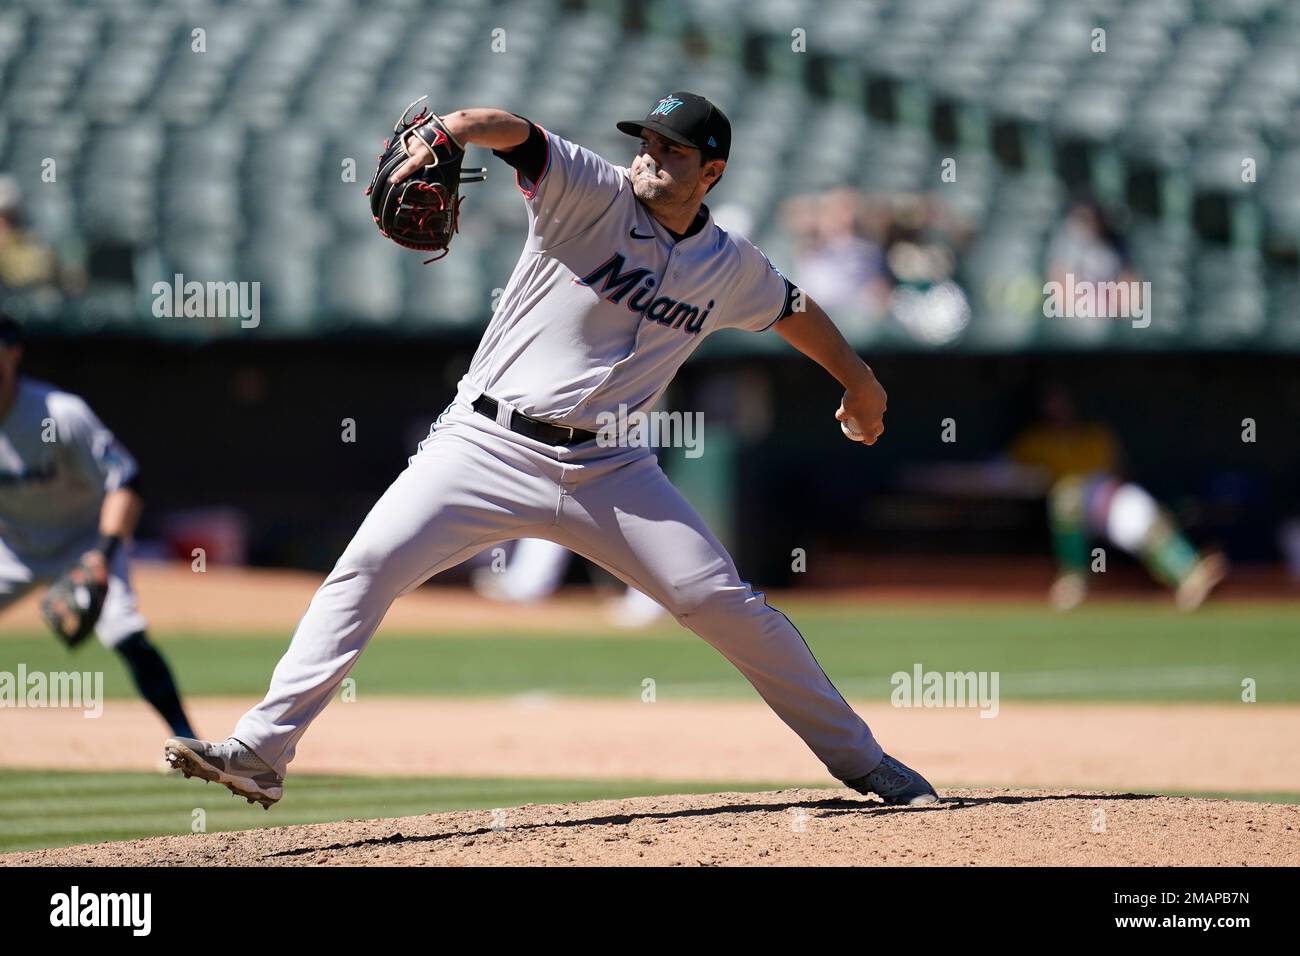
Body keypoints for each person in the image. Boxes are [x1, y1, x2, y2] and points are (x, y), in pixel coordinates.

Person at [164, 92, 937, 809]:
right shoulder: (591, 190)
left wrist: (860, 382)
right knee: (364, 572)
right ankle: (262, 753)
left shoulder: (728, 265)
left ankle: (864, 762)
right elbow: (516, 134)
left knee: (719, 603)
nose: (649, 156)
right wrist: (454, 131)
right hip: (485, 442)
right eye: (646, 141)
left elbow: (792, 308)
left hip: (611, 468)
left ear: (712, 171)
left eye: (671, 149)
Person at [0, 314, 196, 741]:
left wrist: (101, 556)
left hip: (85, 541)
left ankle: (186, 739)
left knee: (126, 633)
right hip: (12, 548)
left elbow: (125, 479)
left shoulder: (59, 414)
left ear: (14, 352)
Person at [1008, 385, 1227, 610]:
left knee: (1141, 514)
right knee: (1068, 498)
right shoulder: (1033, 442)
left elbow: (1118, 471)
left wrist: (1107, 492)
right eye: (1051, 404)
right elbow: (1014, 476)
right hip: (1069, 509)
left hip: (1107, 498)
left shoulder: (1096, 436)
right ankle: (1074, 578)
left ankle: (1188, 572)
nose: (1058, 410)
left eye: (1062, 403)